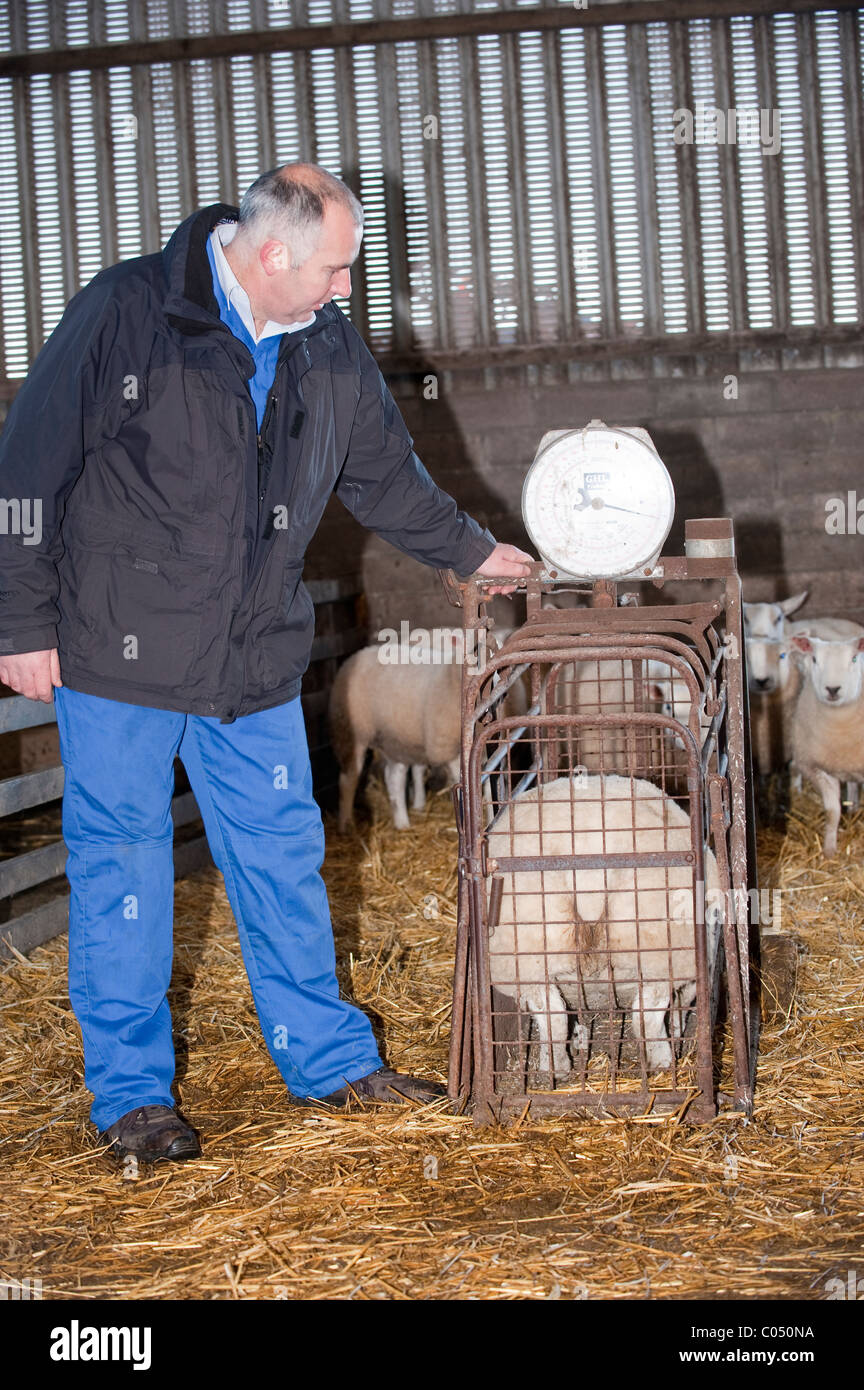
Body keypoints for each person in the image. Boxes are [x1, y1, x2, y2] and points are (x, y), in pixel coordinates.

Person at [0, 162, 531, 1163]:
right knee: (122, 867)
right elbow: (27, 465)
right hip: (119, 653)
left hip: (249, 656)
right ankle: (131, 1099)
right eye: (335, 267)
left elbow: (385, 472)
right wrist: (20, 625)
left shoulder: (326, 344)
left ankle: (329, 1059)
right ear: (275, 251)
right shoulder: (129, 311)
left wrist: (472, 548)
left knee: (284, 854)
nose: (346, 289)